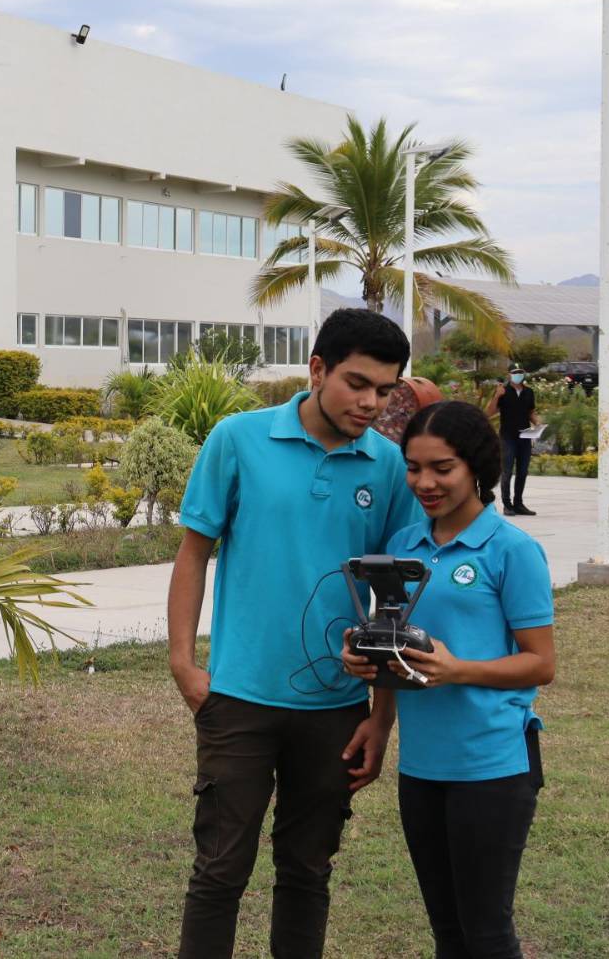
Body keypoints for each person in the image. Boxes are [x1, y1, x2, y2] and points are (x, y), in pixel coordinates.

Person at [169, 307, 420, 958]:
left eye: (385, 389)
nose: (370, 402)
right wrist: (182, 664)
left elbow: (391, 597)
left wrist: (380, 715)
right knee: (219, 869)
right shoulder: (237, 439)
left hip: (335, 708)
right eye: (356, 383)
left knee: (307, 872)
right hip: (239, 697)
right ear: (316, 369)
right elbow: (193, 551)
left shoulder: (387, 467)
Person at [342, 400, 555, 959]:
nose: (424, 482)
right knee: (448, 932)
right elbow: (393, 644)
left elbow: (540, 663)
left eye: (442, 468)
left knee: (486, 933)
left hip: (492, 767)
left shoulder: (512, 551)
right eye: (414, 467)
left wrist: (458, 668)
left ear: (477, 466)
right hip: (422, 767)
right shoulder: (403, 547)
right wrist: (372, 693)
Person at [485, 365, 539, 516]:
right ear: (509, 375)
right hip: (508, 437)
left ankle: (519, 503)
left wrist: (538, 423)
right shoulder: (503, 392)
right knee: (507, 472)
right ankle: (507, 505)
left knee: (522, 472)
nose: (518, 375)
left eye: (521, 372)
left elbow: (531, 412)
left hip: (525, 437)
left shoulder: (529, 392)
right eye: (515, 373)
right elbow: (489, 413)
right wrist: (496, 396)